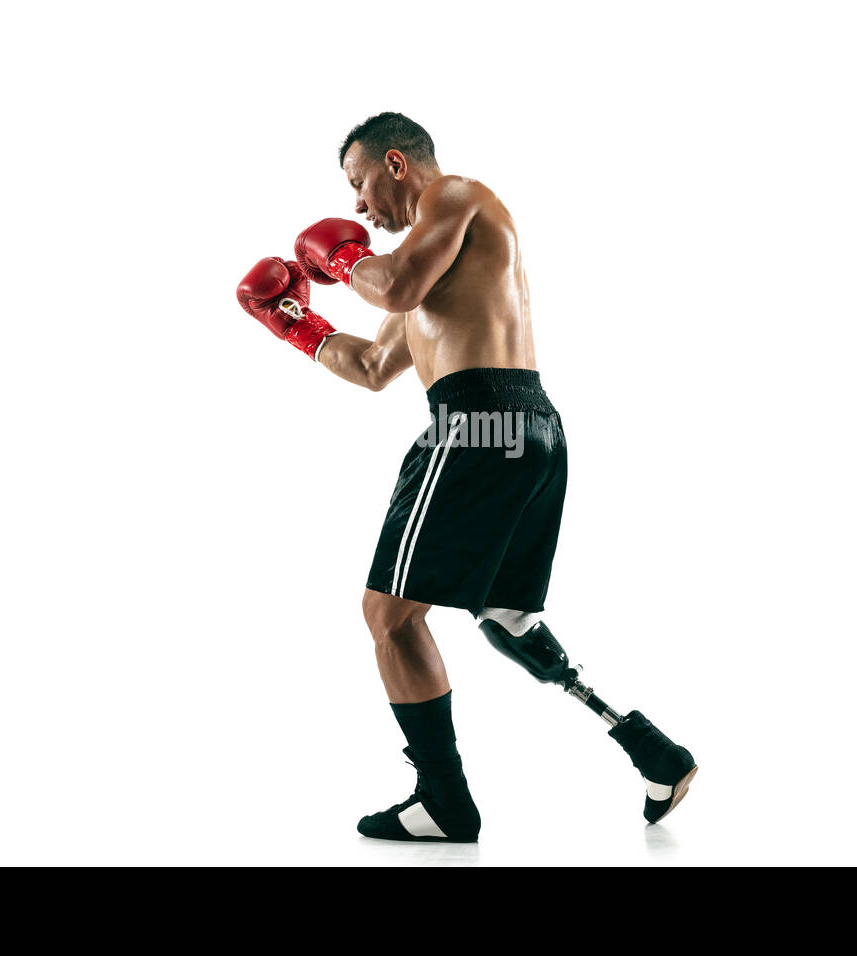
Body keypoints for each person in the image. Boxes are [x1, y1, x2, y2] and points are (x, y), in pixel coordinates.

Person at [237, 112, 697, 842]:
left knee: (388, 616)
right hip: (530, 429)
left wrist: (341, 258)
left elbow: (387, 286)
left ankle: (442, 800)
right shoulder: (426, 272)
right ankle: (652, 749)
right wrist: (293, 322)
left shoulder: (454, 197)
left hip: (477, 423)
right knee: (505, 617)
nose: (358, 208)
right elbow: (370, 367)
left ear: (395, 164)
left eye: (358, 185)